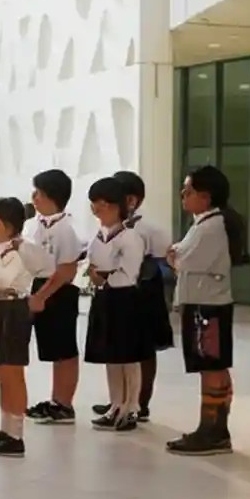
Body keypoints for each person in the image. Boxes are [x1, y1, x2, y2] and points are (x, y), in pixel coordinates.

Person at [166, 165, 243, 456]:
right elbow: (180, 253)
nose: (183, 196)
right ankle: (214, 428)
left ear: (206, 196)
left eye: (189, 191)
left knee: (211, 367)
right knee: (213, 366)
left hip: (207, 306)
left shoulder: (212, 226)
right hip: (203, 302)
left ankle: (212, 431)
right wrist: (177, 256)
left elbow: (184, 259)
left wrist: (175, 259)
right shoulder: (204, 222)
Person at [0, 197, 51, 457]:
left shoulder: (25, 249)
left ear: (9, 225)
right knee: (0, 370)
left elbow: (47, 268)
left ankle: (16, 434)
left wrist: (20, 245)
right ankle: (5, 428)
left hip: (14, 307)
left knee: (12, 371)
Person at [91, 171, 172, 422]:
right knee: (115, 348)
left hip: (142, 292)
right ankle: (118, 400)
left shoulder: (148, 230)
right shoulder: (107, 230)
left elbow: (163, 265)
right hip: (112, 292)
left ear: (130, 200)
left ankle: (139, 402)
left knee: (141, 349)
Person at [82, 178, 147, 433]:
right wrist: (93, 275)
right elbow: (91, 262)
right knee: (111, 355)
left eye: (103, 205)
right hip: (104, 297)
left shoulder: (130, 237)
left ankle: (131, 407)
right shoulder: (98, 236)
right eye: (94, 205)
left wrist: (103, 277)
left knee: (128, 356)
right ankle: (115, 403)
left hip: (125, 297)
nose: (98, 210)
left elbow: (128, 271)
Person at [26, 169, 83, 425]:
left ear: (50, 196)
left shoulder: (65, 229)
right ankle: (54, 399)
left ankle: (64, 403)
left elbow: (67, 270)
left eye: (38, 193)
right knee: (50, 347)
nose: (33, 197)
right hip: (37, 286)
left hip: (58, 291)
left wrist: (42, 295)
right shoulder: (34, 224)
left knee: (64, 351)